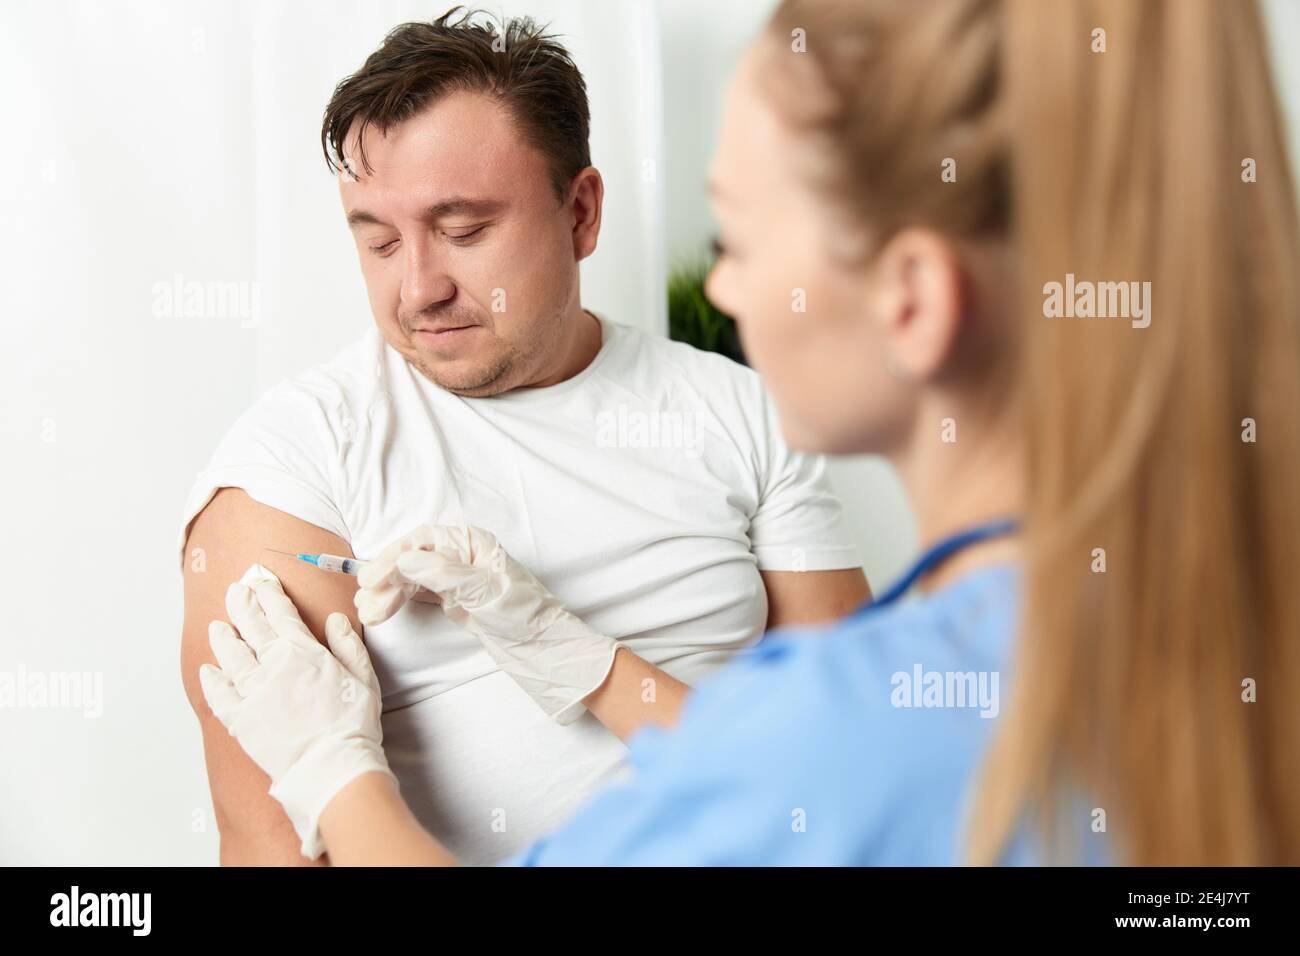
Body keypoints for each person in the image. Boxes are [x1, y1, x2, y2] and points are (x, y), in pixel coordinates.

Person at [199, 0, 1300, 865]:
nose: (719, 280)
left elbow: (814, 753)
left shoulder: (845, 717)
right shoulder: (1152, 622)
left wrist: (334, 765)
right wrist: (598, 669)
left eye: (740, 229)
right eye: (376, 239)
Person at [177, 6, 868, 866]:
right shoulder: (298, 461)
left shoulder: (744, 416)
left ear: (580, 213)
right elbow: (272, 856)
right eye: (380, 241)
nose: (418, 288)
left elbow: (855, 779)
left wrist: (583, 659)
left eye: (464, 231)